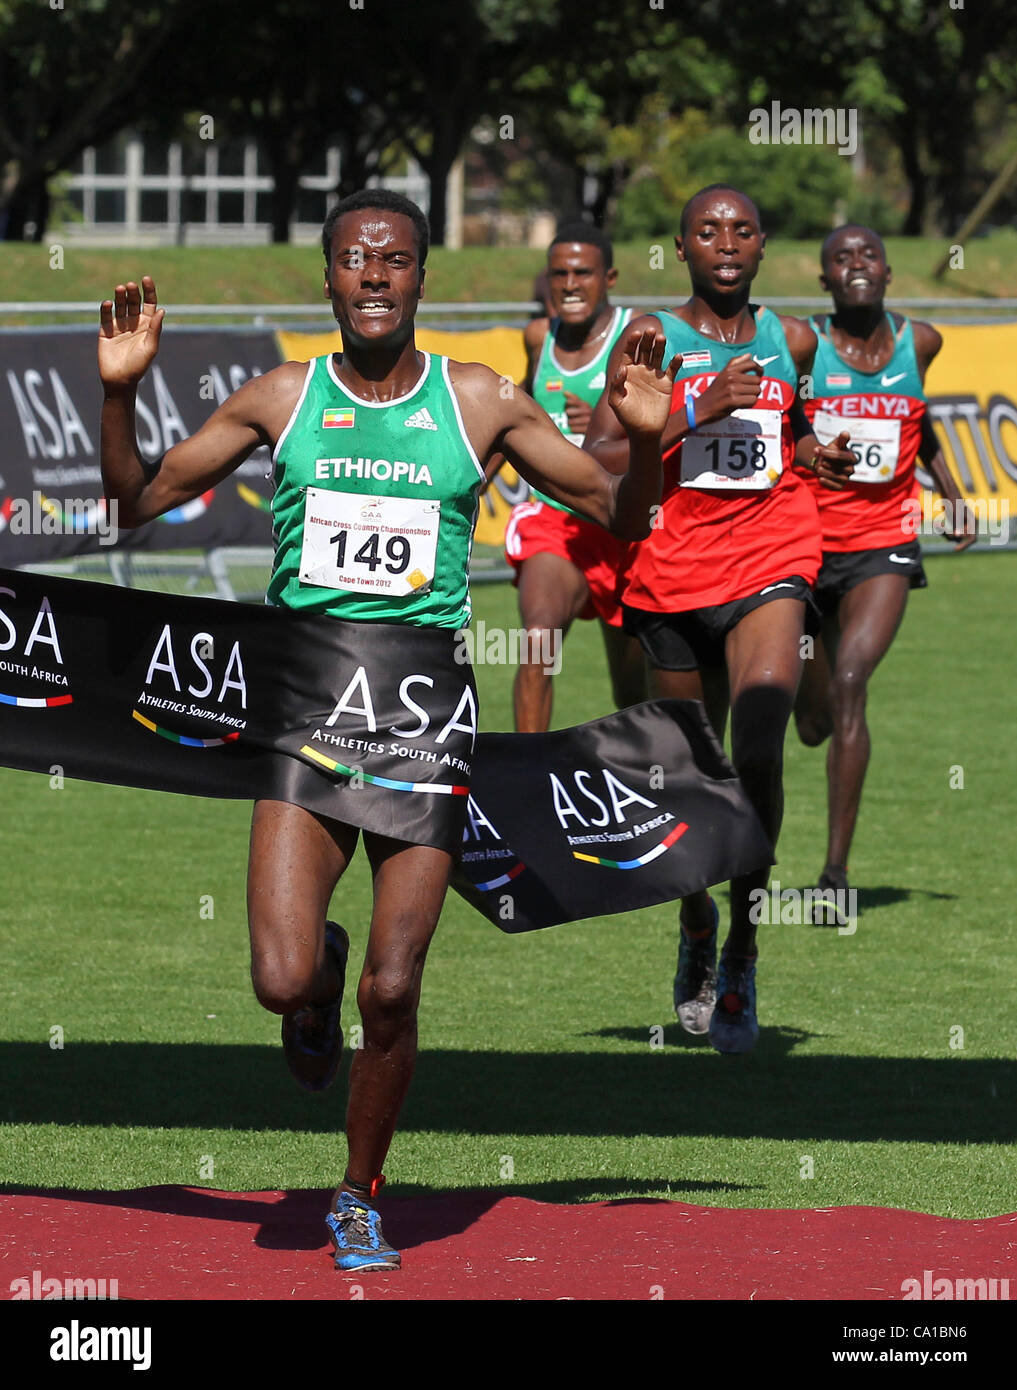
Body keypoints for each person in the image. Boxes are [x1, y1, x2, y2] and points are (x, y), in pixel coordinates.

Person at [97, 190, 677, 1273]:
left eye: (396, 259)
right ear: (328, 278)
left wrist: (643, 445)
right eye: (356, 259)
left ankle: (358, 1191)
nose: (375, 275)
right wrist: (118, 394)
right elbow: (131, 499)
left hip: (422, 725)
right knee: (283, 976)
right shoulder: (282, 396)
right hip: (308, 716)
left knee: (396, 984)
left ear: (421, 278)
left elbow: (621, 513)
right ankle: (314, 980)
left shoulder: (481, 402)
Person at [585, 184, 854, 1054]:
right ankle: (696, 921)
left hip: (770, 559)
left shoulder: (794, 338)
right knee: (685, 779)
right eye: (707, 230)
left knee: (759, 748)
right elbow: (597, 457)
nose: (725, 241)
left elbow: (794, 430)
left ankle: (742, 944)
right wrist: (697, 411)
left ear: (764, 243)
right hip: (668, 574)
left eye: (741, 227)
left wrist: (818, 452)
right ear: (682, 247)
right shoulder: (649, 339)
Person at [792, 224, 976, 908]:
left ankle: (834, 874)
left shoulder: (918, 342)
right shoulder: (803, 346)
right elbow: (784, 424)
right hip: (806, 543)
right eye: (840, 258)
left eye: (866, 255)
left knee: (848, 681)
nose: (855, 265)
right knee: (810, 720)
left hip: (885, 541)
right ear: (824, 281)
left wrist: (949, 493)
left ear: (887, 271)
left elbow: (915, 422)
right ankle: (804, 713)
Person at [501, 223, 646, 730]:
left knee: (634, 691)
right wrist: (473, 478)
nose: (569, 284)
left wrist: (609, 431)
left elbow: (662, 435)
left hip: (625, 529)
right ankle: (527, 779)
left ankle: (642, 791)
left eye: (582, 273)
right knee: (538, 640)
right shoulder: (540, 336)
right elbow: (515, 409)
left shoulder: (641, 334)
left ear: (609, 277)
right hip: (557, 524)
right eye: (558, 273)